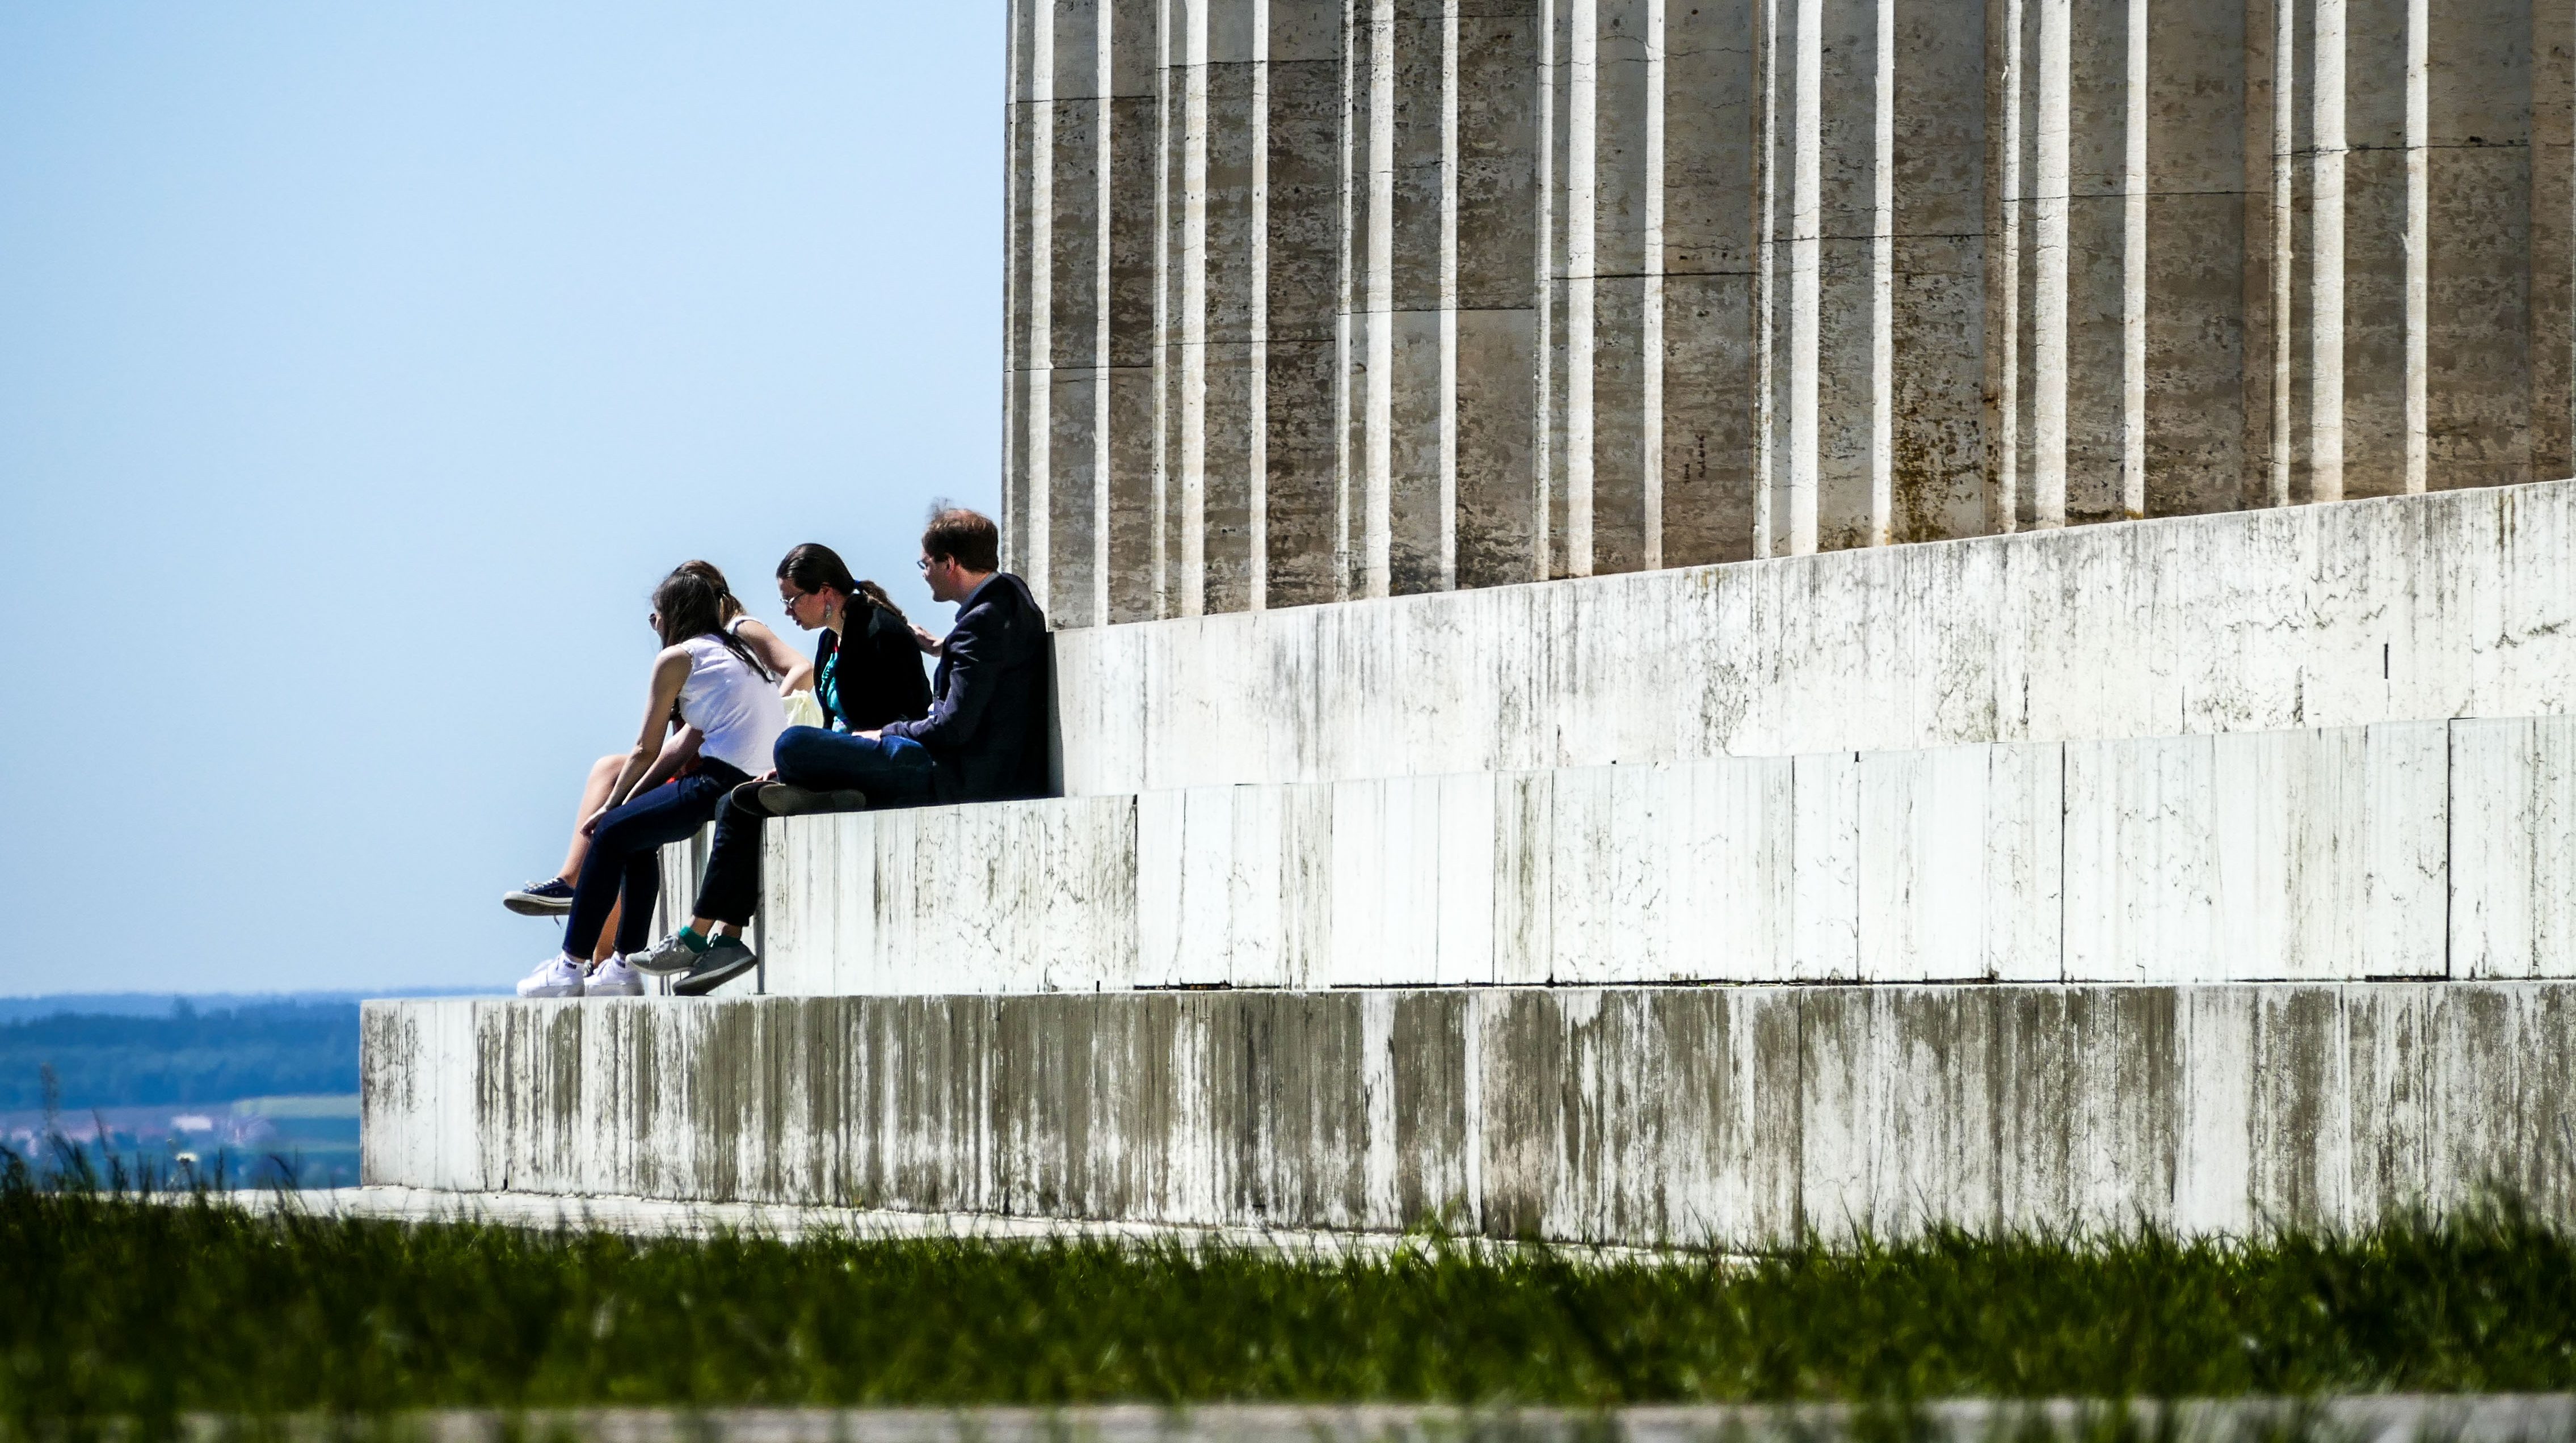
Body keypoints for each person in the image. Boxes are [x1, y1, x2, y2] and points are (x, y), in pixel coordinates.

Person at [632, 543, 932, 995]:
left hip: (888, 761)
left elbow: (904, 714)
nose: (788, 612)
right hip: (847, 760)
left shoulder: (879, 631)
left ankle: (701, 936)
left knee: (790, 742)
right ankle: (722, 940)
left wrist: (827, 750)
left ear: (826, 592)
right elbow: (833, 722)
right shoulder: (831, 639)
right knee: (739, 802)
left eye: (793, 600)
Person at [499, 562, 809, 951]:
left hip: (723, 772)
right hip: (718, 764)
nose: (653, 623)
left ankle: (576, 952)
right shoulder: (726, 653)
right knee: (624, 818)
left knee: (614, 830)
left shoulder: (725, 639)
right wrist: (625, 802)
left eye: (656, 614)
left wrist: (766, 717)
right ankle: (612, 955)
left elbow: (649, 748)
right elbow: (681, 742)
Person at [738, 507, 1049, 816]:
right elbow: (992, 659)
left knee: (793, 744)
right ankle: (829, 795)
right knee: (782, 760)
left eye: (926, 564)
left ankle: (829, 791)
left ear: (950, 564)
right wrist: (945, 647)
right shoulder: (1011, 595)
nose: (924, 574)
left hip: (961, 776)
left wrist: (884, 733)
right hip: (971, 766)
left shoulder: (979, 624)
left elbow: (953, 728)